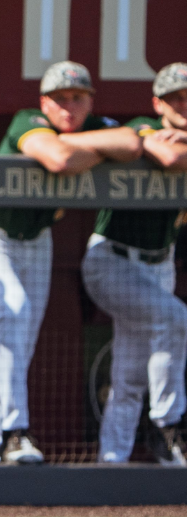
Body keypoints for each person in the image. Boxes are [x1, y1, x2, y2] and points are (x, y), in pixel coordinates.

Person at [0, 60, 142, 466]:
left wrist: (88, 143)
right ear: (44, 102)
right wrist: (98, 148)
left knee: (17, 343)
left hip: (35, 241)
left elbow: (134, 144)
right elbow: (58, 159)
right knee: (13, 308)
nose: (68, 107)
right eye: (59, 99)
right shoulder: (26, 120)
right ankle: (15, 432)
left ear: (90, 101)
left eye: (78, 98)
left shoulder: (92, 126)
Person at [83, 62, 187, 466]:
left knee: (128, 375)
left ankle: (112, 462)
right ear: (158, 102)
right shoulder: (145, 125)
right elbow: (169, 155)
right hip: (113, 259)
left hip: (160, 262)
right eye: (175, 97)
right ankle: (170, 424)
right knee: (177, 318)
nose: (183, 104)